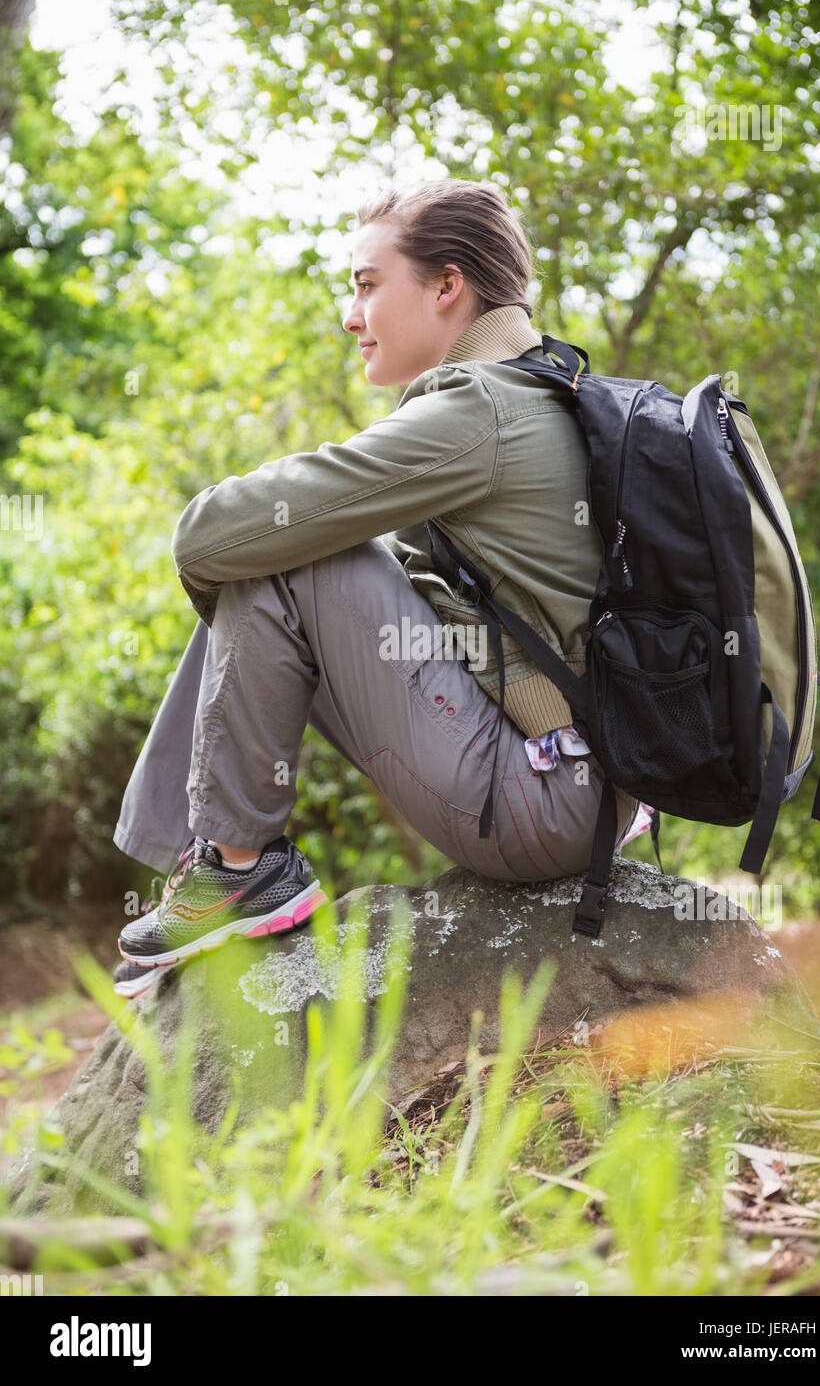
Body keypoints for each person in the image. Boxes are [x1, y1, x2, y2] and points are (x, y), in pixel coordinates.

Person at [111, 178, 651, 998]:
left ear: (446, 286)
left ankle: (237, 865)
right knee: (297, 552)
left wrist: (232, 596)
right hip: (585, 794)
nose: (349, 312)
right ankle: (222, 860)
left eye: (366, 284)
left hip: (543, 804)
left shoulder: (480, 409)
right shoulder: (549, 386)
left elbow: (209, 535)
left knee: (285, 553)